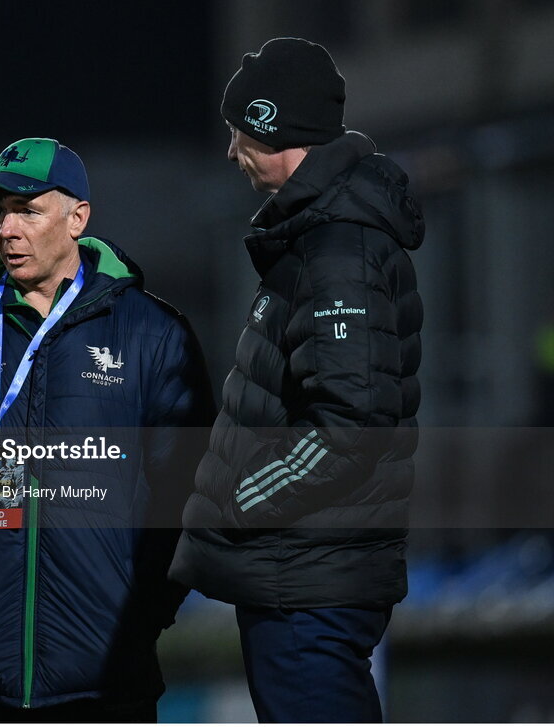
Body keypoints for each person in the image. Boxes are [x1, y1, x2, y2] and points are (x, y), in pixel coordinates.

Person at [0, 137, 212, 722]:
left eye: (27, 210)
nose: (7, 229)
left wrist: (143, 611)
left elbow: (189, 490)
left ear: (78, 217)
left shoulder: (153, 333)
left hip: (104, 688)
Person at [170, 37, 425, 723]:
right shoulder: (319, 239)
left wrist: (243, 498)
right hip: (301, 572)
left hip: (309, 579)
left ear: (275, 128)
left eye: (240, 132)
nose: (231, 151)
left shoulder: (337, 251)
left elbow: (351, 427)